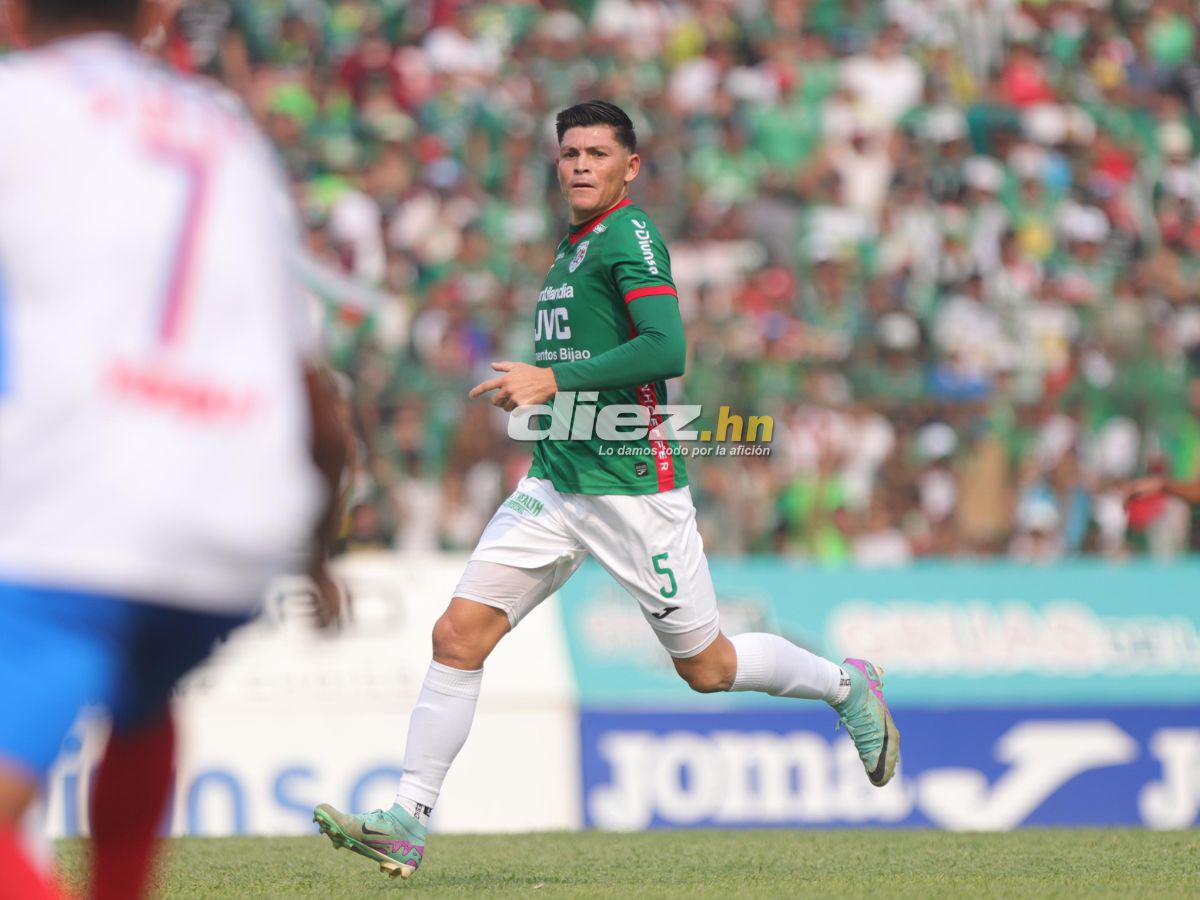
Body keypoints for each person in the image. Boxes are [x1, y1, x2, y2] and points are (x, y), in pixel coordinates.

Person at [313, 101, 899, 880]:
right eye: (569, 152)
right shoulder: (572, 246)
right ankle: (408, 819)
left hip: (631, 487)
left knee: (708, 668)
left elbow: (667, 348)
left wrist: (550, 379)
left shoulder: (631, 233)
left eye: (596, 152)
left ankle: (844, 685)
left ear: (631, 165)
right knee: (457, 635)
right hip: (558, 481)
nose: (580, 164)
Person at [0, 2, 348, 897]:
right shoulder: (227, 134)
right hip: (237, 522)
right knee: (142, 696)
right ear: (156, 13)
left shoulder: (20, 106)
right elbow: (310, 381)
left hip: (83, 509)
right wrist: (318, 553)